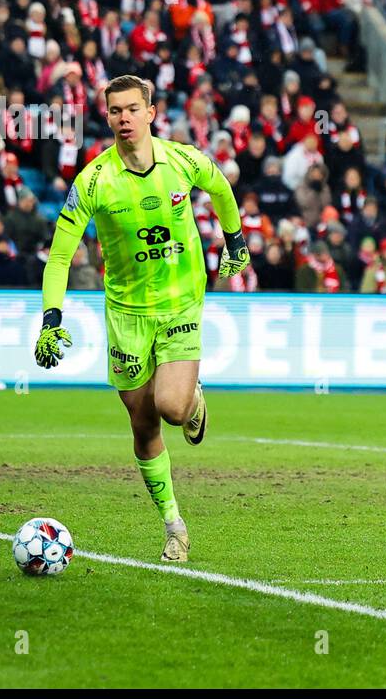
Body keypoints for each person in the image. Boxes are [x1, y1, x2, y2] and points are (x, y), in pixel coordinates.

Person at [32, 75, 249, 563]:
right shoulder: (92, 181)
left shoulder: (183, 160)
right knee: (142, 421)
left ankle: (192, 400)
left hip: (180, 301)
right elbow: (60, 257)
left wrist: (234, 240)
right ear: (107, 116)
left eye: (133, 109)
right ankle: (174, 524)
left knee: (171, 407)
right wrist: (51, 318)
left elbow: (220, 185)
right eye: (115, 111)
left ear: (151, 112)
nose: (124, 118)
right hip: (126, 314)